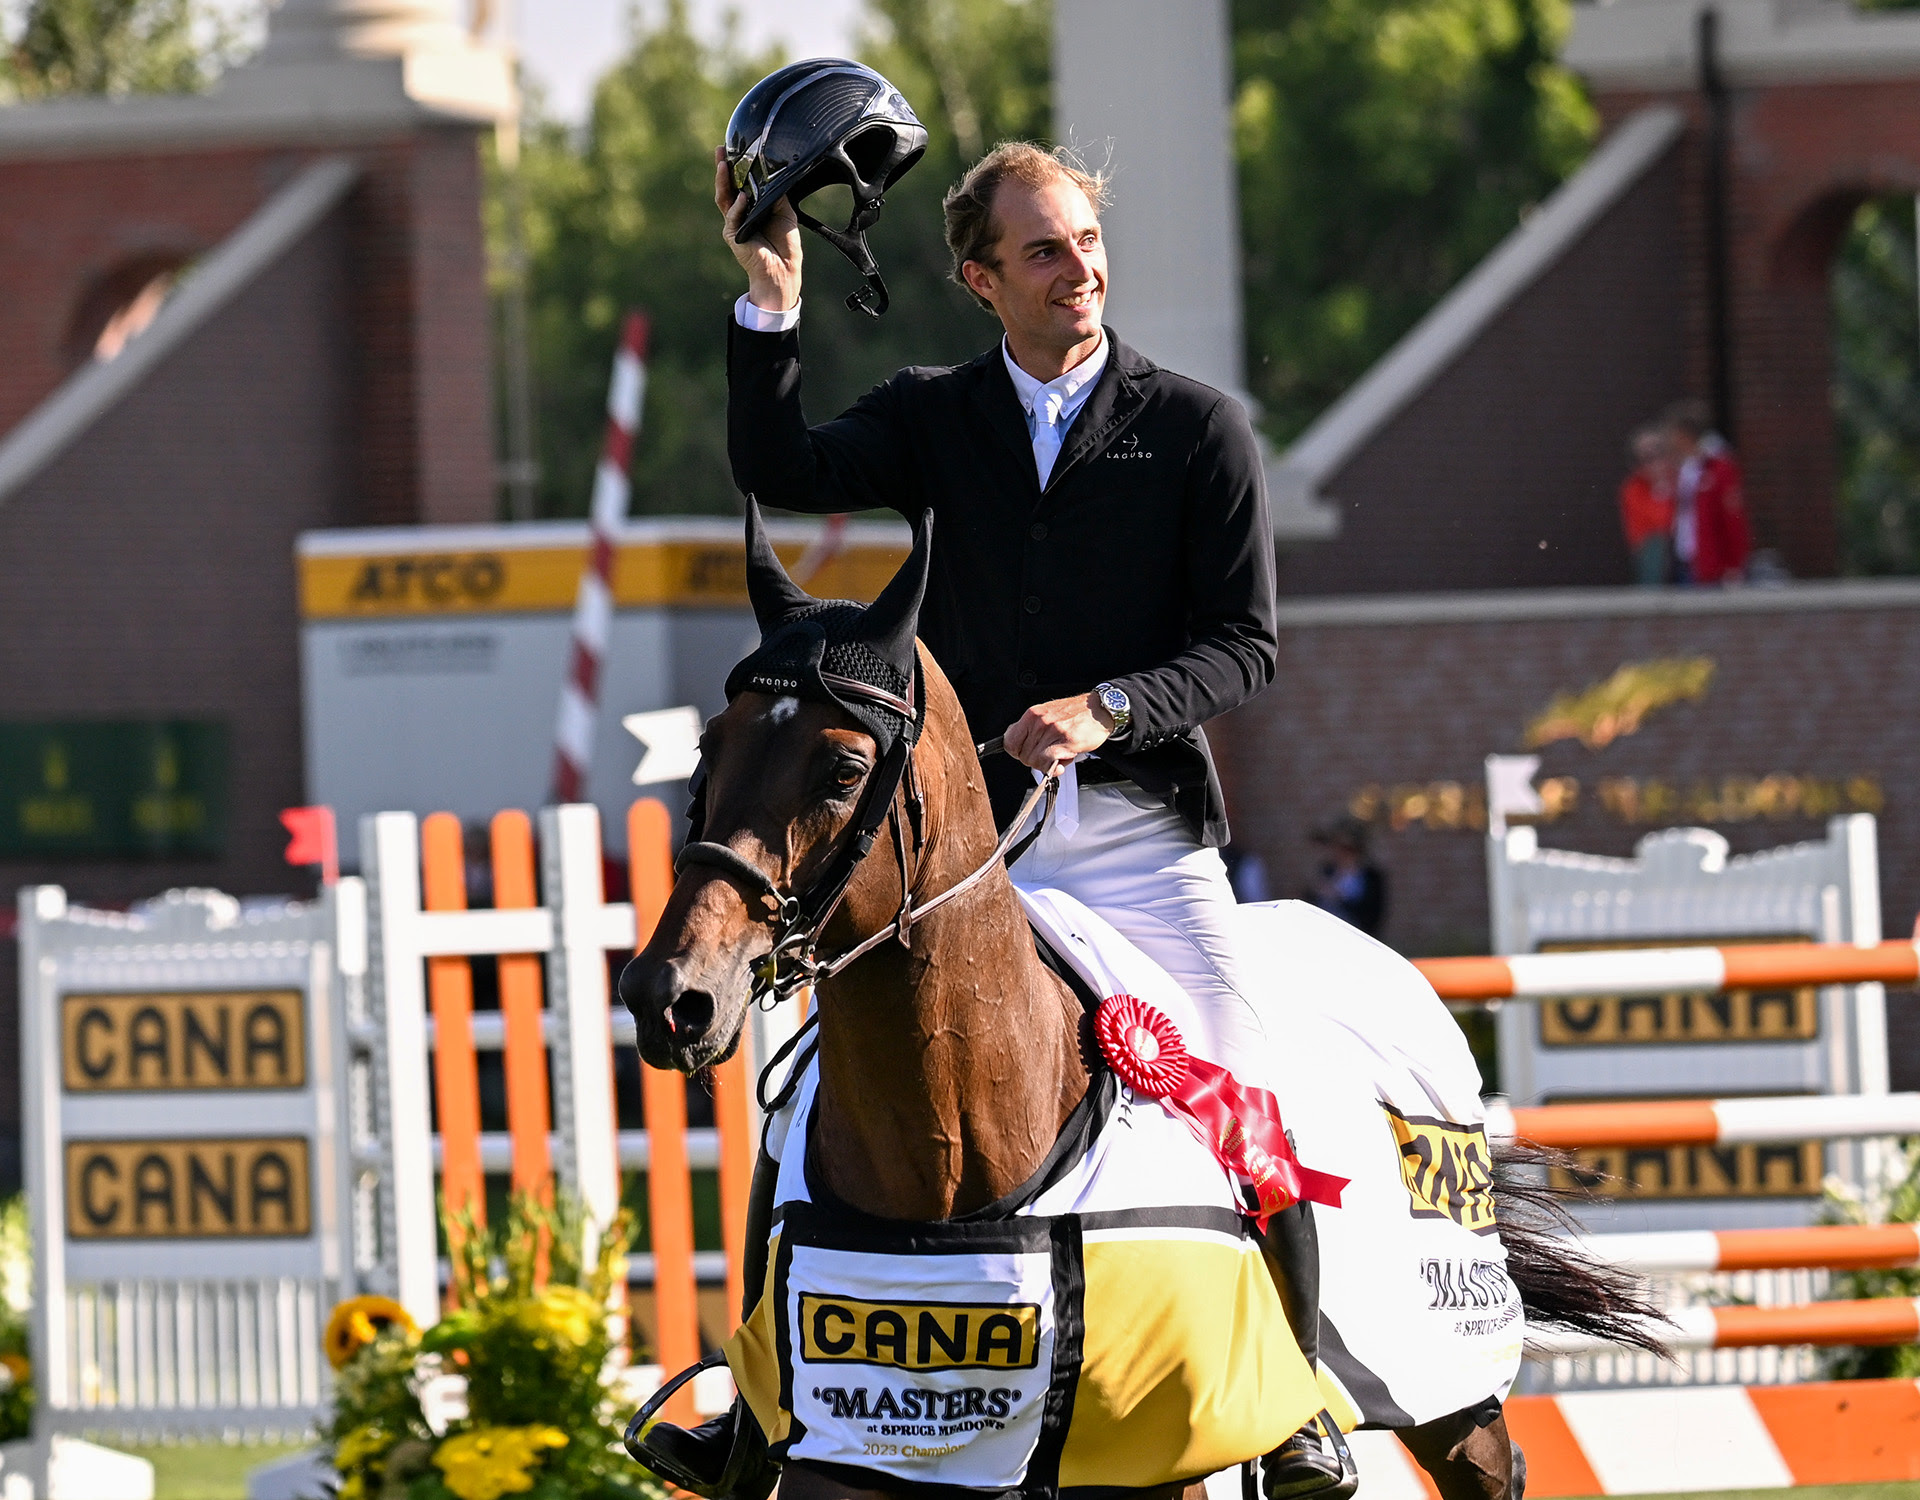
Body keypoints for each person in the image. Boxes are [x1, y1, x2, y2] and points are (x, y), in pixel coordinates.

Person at [635, 116, 1358, 1500]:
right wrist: (769, 298)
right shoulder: (931, 415)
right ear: (982, 279)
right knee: (806, 1109)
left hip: (1141, 840)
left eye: (1086, 242)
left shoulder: (1199, 428)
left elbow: (1247, 647)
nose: (1077, 269)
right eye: (1044, 251)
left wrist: (1113, 707)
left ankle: (1295, 1406)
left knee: (1253, 1092)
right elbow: (782, 472)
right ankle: (761, 1406)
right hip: (971, 844)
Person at [1665, 401, 1751, 585]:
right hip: (1685, 558)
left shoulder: (1719, 468)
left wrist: (1735, 564)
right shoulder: (1683, 468)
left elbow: (1732, 517)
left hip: (1712, 564)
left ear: (1684, 434)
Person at [1306, 815, 1387, 938]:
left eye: (1344, 848)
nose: (1338, 852)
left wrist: (1339, 898)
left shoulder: (1371, 877)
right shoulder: (1327, 871)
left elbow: (1371, 915)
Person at [1617, 424, 1674, 587]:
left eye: (1660, 454)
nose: (1656, 462)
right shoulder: (1633, 488)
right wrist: (1660, 490)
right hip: (1652, 555)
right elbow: (1657, 523)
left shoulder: (1679, 479)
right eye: (1648, 458)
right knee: (1655, 548)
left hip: (1681, 553)